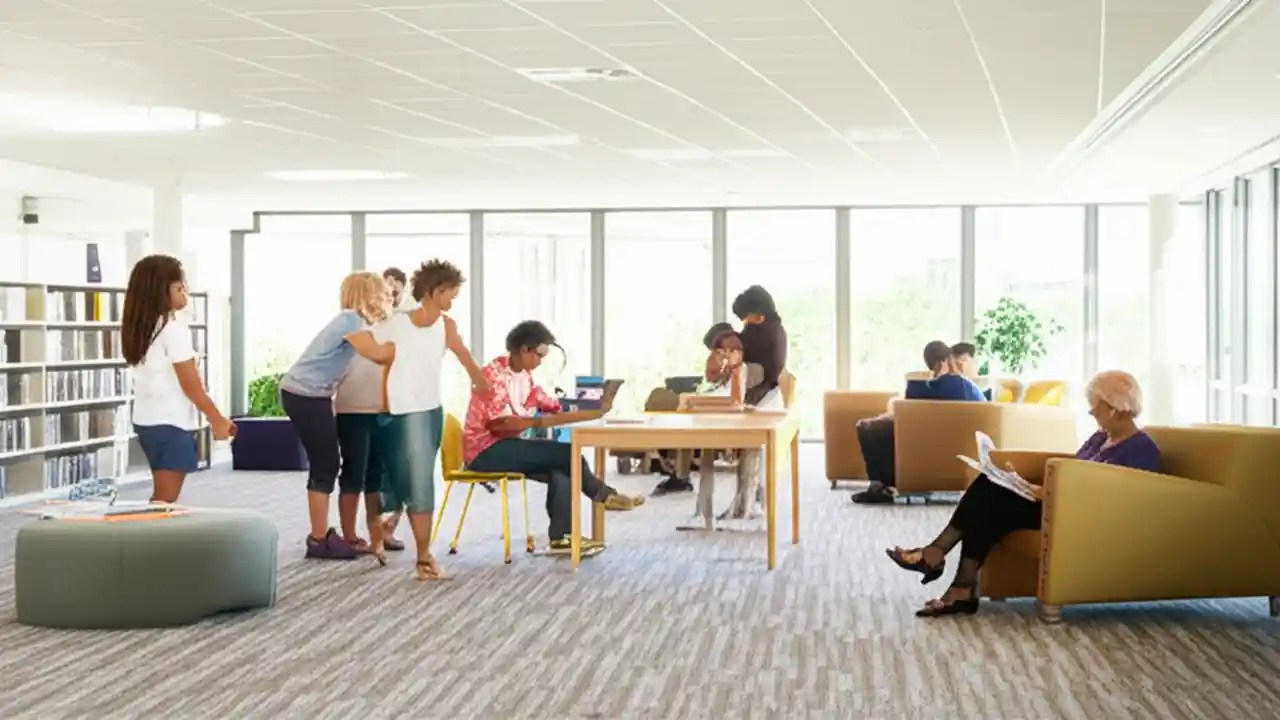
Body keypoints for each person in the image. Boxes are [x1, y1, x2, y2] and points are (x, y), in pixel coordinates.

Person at [886, 370, 1160, 617]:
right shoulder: (1101, 436)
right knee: (990, 493)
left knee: (990, 497)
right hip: (1059, 503)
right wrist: (1025, 483)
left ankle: (940, 562)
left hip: (1081, 517)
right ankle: (958, 585)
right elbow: (1075, 474)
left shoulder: (1141, 450)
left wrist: (1042, 490)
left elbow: (1111, 499)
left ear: (1114, 407)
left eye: (1094, 405)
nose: (1090, 412)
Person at [464, 320, 645, 553]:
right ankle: (604, 495)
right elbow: (500, 426)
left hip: (508, 445)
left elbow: (548, 403)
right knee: (567, 454)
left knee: (562, 468)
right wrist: (540, 421)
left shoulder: (524, 376)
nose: (540, 362)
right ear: (524, 350)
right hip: (485, 450)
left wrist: (591, 406)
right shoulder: (492, 376)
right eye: (539, 355)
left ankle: (562, 538)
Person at [372, 259, 490, 580]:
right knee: (407, 480)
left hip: (428, 410)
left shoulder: (446, 325)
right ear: (436, 291)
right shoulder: (397, 322)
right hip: (400, 410)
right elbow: (371, 349)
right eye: (451, 293)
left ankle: (417, 549)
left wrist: (480, 382)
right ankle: (407, 541)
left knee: (419, 481)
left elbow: (463, 355)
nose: (453, 300)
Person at [279, 272, 396, 560]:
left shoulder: (354, 322)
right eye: (382, 292)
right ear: (368, 294)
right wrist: (408, 345)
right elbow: (378, 355)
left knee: (327, 464)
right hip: (304, 394)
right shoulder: (350, 320)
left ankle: (321, 536)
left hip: (313, 395)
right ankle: (318, 540)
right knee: (325, 465)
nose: (387, 297)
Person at [122, 254, 235, 503]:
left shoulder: (145, 327)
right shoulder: (172, 330)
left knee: (162, 498)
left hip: (147, 420)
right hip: (170, 423)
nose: (186, 292)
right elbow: (190, 383)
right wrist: (216, 418)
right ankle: (144, 541)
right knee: (164, 501)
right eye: (179, 286)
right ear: (160, 291)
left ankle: (149, 540)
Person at [852, 341, 985, 504]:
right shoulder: (963, 384)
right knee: (878, 428)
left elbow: (915, 400)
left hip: (939, 440)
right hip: (946, 438)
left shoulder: (953, 382)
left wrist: (939, 375)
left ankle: (881, 486)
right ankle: (882, 485)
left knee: (868, 428)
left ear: (941, 363)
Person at [651, 321, 737, 496]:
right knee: (669, 412)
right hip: (703, 404)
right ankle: (678, 473)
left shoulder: (737, 364)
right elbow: (712, 385)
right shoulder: (724, 363)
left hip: (712, 408)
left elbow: (727, 396)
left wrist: (693, 399)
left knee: (658, 398)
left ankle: (676, 469)